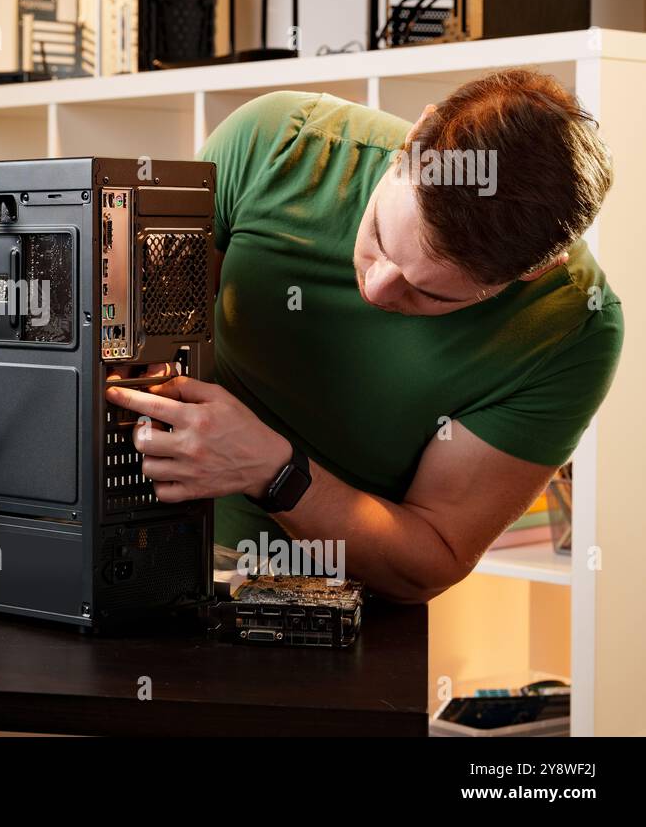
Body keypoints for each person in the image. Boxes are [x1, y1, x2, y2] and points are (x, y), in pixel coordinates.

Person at [105, 68, 622, 602]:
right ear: (415, 136)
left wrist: (274, 473)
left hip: (335, 613)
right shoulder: (278, 140)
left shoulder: (572, 329)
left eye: (433, 295)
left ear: (534, 271)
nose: (376, 289)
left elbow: (430, 558)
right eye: (378, 235)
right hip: (132, 547)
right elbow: (132, 339)